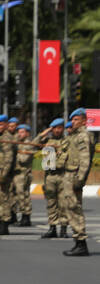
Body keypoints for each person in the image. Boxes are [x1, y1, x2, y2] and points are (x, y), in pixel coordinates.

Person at [60, 108, 93, 257]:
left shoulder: (83, 136)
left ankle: (81, 243)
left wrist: (80, 179)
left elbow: (85, 160)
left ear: (84, 121)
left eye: (76, 120)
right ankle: (78, 242)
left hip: (74, 176)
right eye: (72, 120)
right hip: (68, 175)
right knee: (70, 208)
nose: (73, 122)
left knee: (74, 208)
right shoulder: (74, 136)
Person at [37, 118, 67, 238]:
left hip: (62, 175)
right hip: (49, 176)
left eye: (59, 128)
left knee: (63, 203)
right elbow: (35, 143)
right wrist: (44, 133)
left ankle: (63, 229)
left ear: (62, 129)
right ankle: (52, 227)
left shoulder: (66, 141)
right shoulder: (47, 141)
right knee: (51, 203)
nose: (57, 130)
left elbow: (65, 158)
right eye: (54, 128)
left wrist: (56, 150)